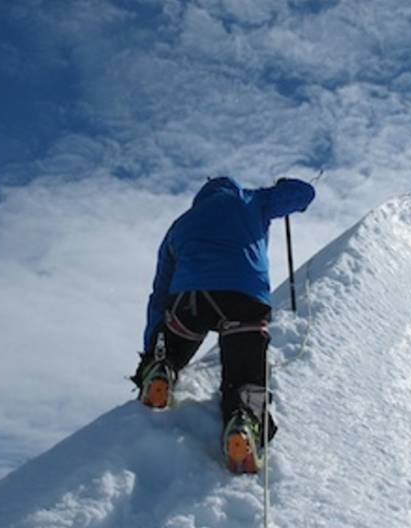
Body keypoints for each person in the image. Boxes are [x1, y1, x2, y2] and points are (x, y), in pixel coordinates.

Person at [131, 176, 316, 473]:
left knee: (174, 342)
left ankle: (161, 369)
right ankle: (243, 420)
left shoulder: (181, 224)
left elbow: (159, 293)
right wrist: (283, 185)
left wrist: (153, 347)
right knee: (245, 373)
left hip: (190, 298)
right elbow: (304, 194)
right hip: (244, 297)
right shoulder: (253, 201)